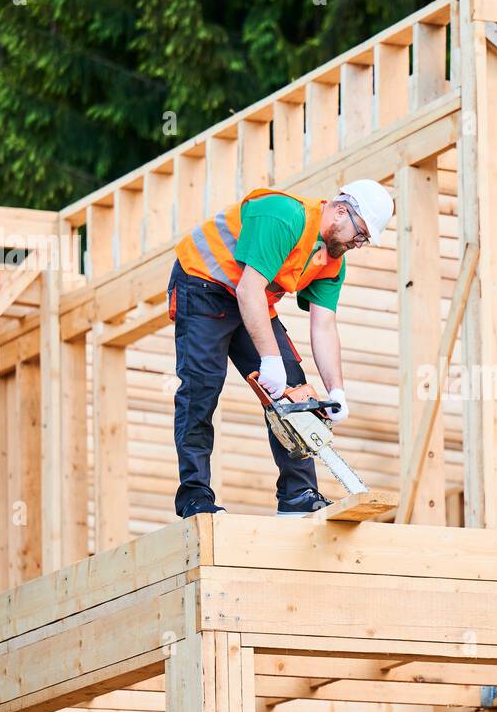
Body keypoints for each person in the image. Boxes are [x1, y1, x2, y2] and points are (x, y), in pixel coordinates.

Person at [167, 178, 393, 518]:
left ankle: (297, 495)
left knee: (295, 388)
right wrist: (269, 358)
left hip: (249, 299)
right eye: (359, 234)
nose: (358, 244)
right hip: (203, 284)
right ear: (342, 212)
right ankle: (195, 498)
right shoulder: (284, 216)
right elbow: (249, 290)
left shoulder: (332, 259)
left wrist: (337, 390)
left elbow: (324, 325)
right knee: (201, 388)